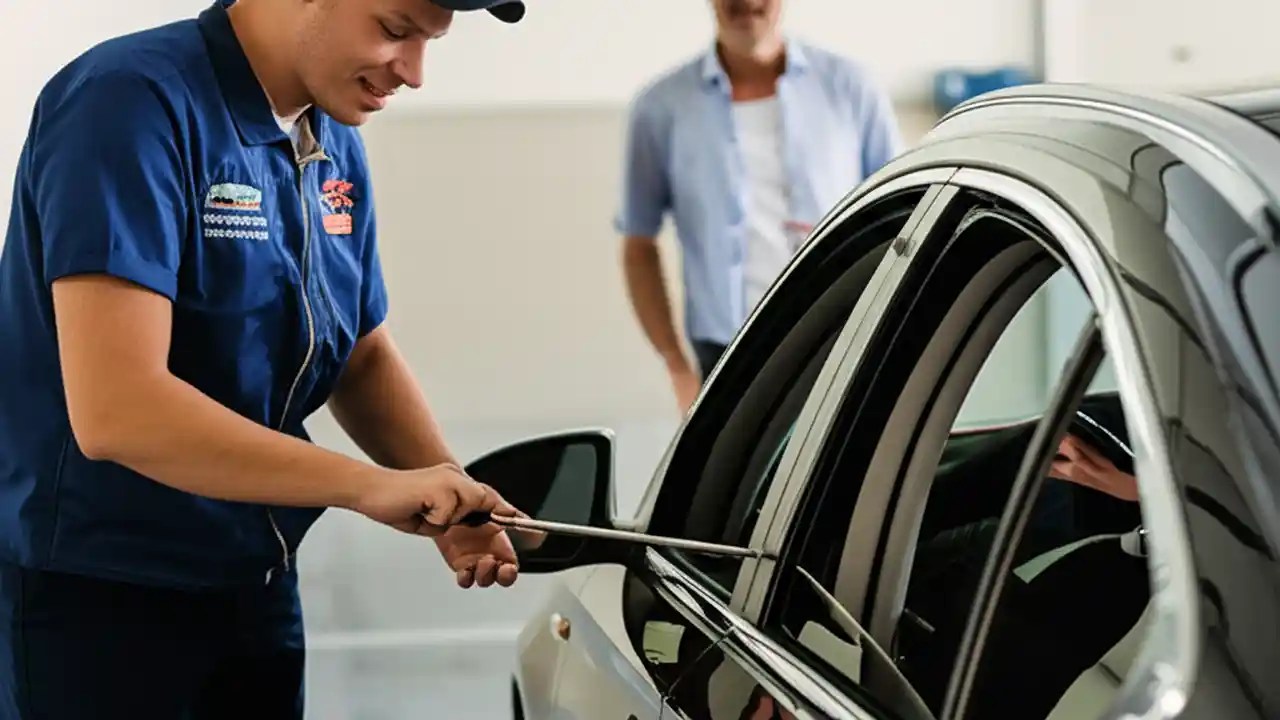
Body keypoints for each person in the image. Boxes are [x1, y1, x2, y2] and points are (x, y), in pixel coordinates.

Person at [0, 0, 528, 717]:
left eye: (429, 43)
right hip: (103, 598)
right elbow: (118, 410)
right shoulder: (127, 102)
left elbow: (360, 354)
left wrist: (454, 500)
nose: (412, 73)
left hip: (257, 586)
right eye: (395, 30)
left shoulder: (330, 134)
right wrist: (364, 486)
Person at [616, 0, 904, 413]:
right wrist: (678, 366)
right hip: (724, 358)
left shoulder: (852, 88)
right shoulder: (660, 107)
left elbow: (901, 214)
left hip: (844, 337)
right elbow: (638, 244)